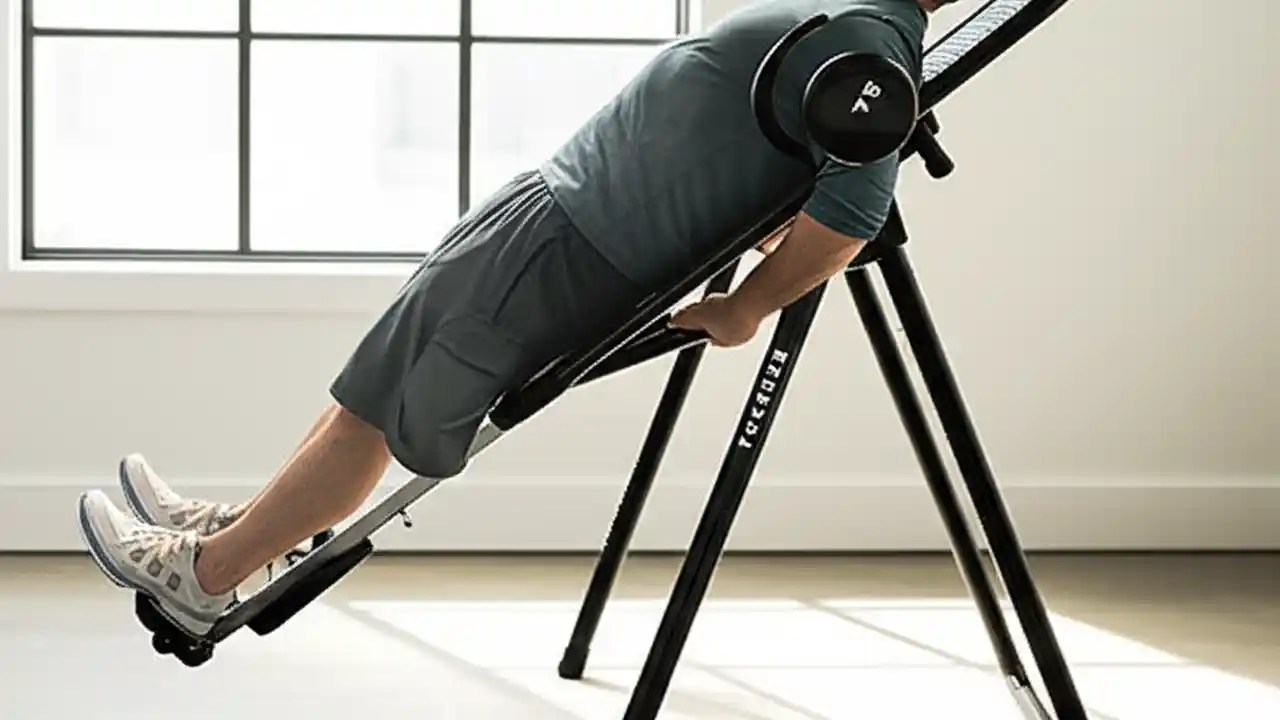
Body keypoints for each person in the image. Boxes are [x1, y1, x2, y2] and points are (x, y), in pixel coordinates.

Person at [77, 0, 955, 636]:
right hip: (555, 216)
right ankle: (243, 534)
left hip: (575, 246)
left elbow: (853, 213)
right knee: (372, 388)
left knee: (393, 408)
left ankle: (207, 577)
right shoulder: (854, 23)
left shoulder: (871, 47)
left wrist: (748, 308)